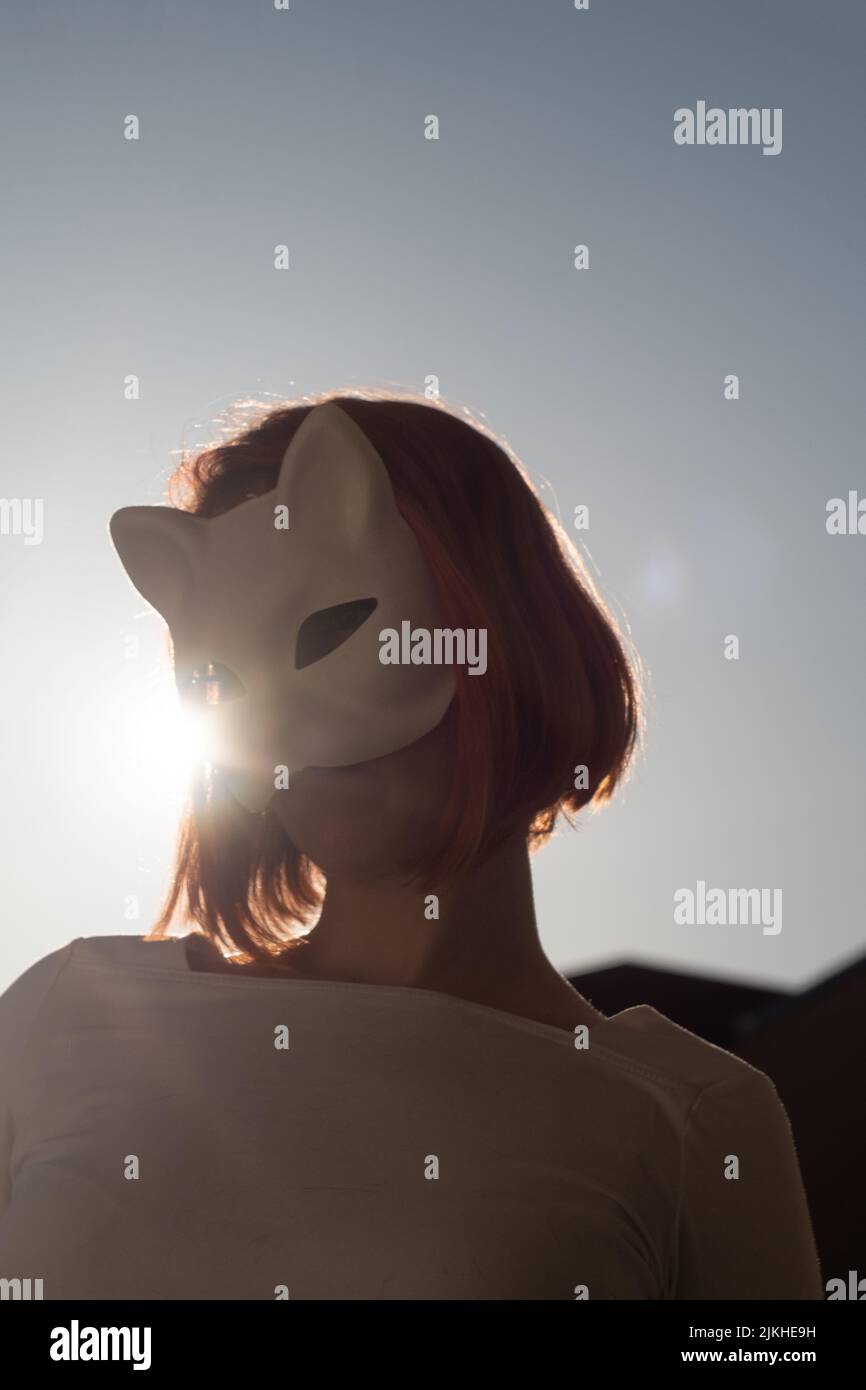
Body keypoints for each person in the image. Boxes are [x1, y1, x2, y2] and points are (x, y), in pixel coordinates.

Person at [0, 390, 823, 1300]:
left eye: (333, 629)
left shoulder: (696, 1121)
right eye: (220, 678)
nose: (284, 723)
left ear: (504, 628)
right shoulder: (65, 1016)